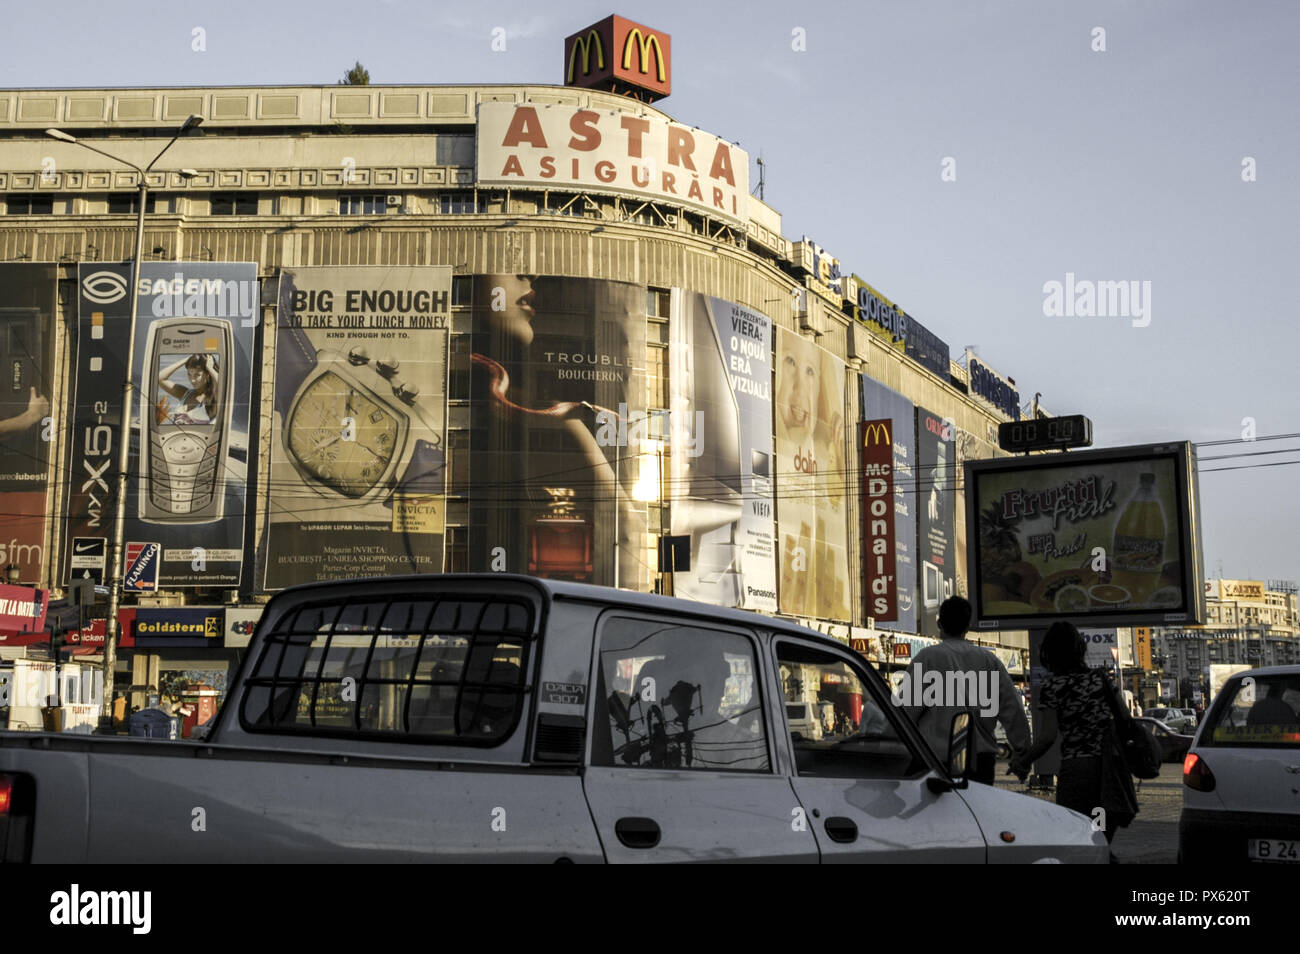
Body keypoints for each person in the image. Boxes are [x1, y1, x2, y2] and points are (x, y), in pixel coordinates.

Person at [1011, 621, 1136, 845]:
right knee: (1100, 833)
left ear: (1049, 653)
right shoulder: (1100, 679)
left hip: (1076, 772)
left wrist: (1024, 760)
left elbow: (1047, 736)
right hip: (1108, 771)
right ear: (1080, 648)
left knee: (1077, 833)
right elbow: (1125, 719)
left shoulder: (1053, 686)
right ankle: (1103, 856)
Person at [899, 595, 1031, 784]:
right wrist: (1022, 754)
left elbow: (905, 713)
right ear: (967, 627)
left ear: (939, 623)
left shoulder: (927, 658)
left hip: (934, 760)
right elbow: (1013, 711)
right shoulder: (990, 661)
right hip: (980, 761)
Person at [157, 353, 219, 424]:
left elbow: (225, 386)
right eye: (189, 374)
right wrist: (187, 359)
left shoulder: (213, 398)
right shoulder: (185, 393)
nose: (192, 380)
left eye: (197, 375)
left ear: (208, 375)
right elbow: (160, 378)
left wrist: (210, 369)